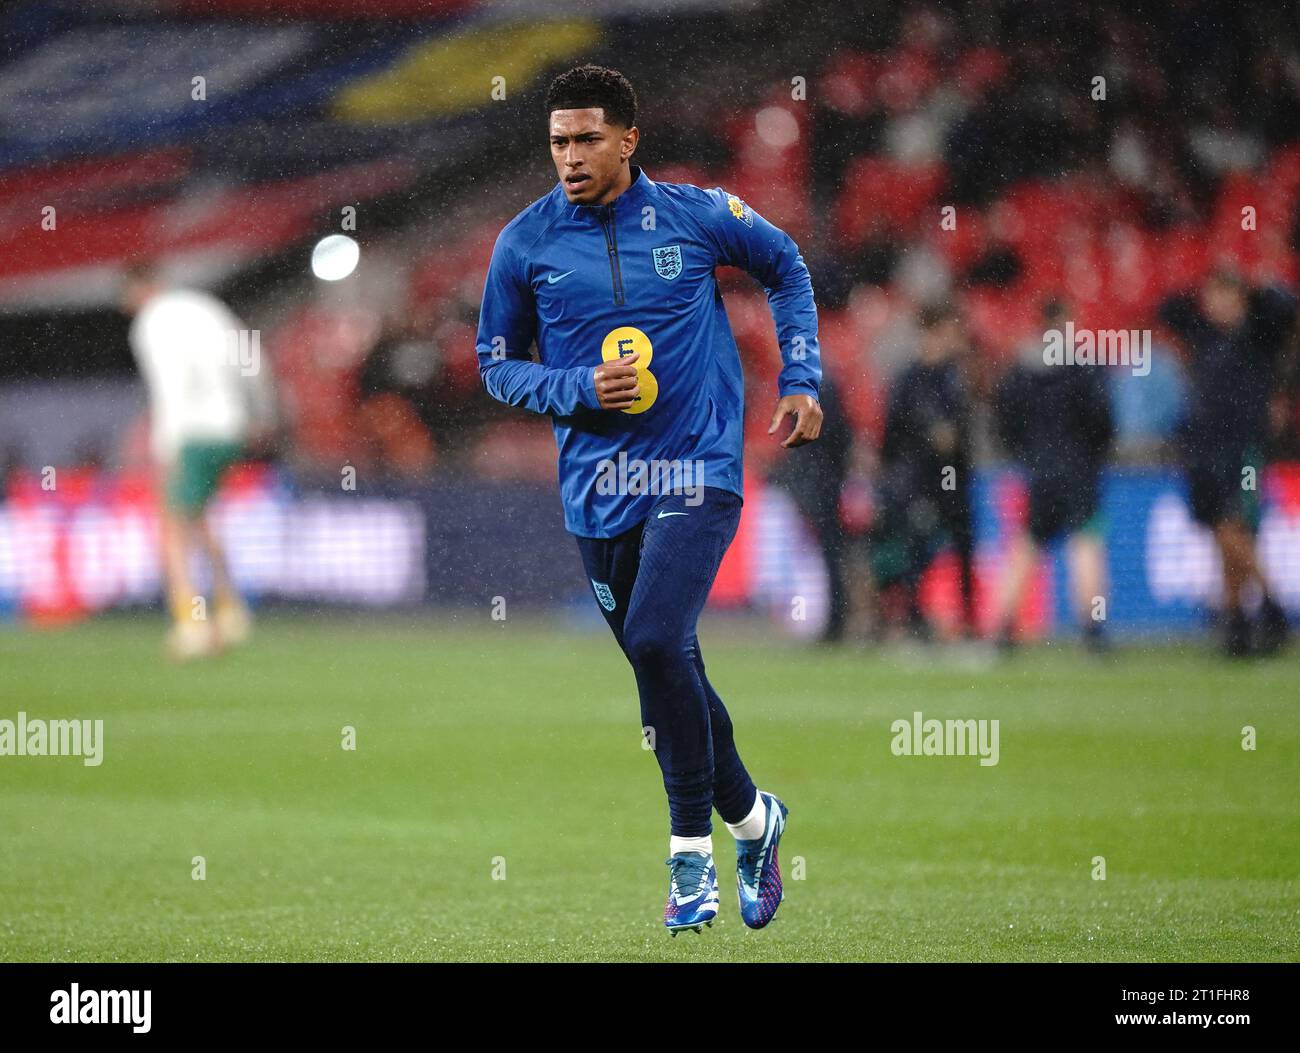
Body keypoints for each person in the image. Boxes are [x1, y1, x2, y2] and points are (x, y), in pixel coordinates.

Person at [475, 65, 822, 934]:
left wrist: (802, 373)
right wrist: (577, 386)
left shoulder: (697, 216)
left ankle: (688, 860)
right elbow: (496, 365)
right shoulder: (524, 244)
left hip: (695, 467)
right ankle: (754, 819)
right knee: (667, 666)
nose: (569, 157)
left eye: (587, 139)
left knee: (658, 638)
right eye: (557, 141)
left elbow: (785, 266)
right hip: (599, 485)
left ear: (629, 139)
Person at [123, 261, 274, 660]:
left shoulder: (152, 322)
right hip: (232, 427)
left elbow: (170, 384)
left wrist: (166, 444)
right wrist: (260, 412)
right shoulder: (207, 308)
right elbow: (249, 354)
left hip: (191, 431)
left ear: (136, 290)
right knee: (199, 516)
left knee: (172, 525)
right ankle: (230, 609)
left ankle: (191, 622)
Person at [1158, 268, 1296, 657]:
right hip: (1204, 451)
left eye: (1226, 295)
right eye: (1213, 295)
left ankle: (1271, 606)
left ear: (1241, 299)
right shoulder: (1203, 334)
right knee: (1223, 533)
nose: (1217, 304)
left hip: (1245, 452)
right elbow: (1167, 307)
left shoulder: (1258, 334)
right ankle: (1237, 623)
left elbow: (1285, 305)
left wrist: (1258, 284)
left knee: (1232, 524)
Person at [993, 298, 1114, 653]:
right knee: (1085, 544)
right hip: (1078, 470)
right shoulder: (1084, 368)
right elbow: (1103, 421)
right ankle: (1092, 631)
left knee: (1028, 545)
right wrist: (1091, 455)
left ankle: (1003, 629)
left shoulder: (1023, 369)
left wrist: (1028, 455)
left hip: (1039, 471)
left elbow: (1006, 418)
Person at [875, 303, 976, 639]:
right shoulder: (908, 380)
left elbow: (968, 427)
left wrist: (954, 437)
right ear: (930, 333)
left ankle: (967, 619)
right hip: (919, 480)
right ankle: (915, 618)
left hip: (954, 479)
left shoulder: (956, 376)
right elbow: (891, 434)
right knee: (918, 549)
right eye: (947, 332)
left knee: (963, 547)